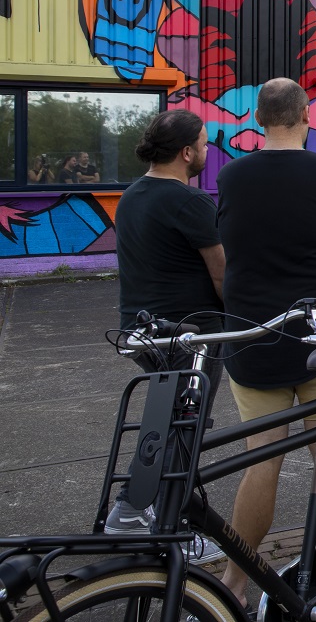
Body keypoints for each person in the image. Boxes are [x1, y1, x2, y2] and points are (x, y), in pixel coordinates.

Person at [215, 78, 316, 609]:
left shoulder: (232, 176)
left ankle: (234, 583)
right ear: (306, 114)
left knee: (263, 462)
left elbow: (229, 244)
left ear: (260, 118)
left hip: (257, 334)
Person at [106, 109, 226, 563]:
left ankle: (131, 512)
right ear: (186, 152)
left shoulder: (133, 194)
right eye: (203, 142)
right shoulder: (190, 201)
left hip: (142, 330)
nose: (208, 149)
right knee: (183, 430)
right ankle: (166, 528)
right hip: (190, 334)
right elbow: (221, 276)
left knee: (163, 422)